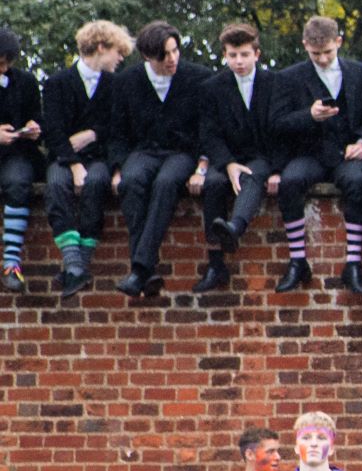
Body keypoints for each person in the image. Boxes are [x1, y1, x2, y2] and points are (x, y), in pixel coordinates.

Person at [108, 21, 212, 300]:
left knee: (166, 183)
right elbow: (117, 132)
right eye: (164, 55)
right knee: (131, 181)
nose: (172, 58)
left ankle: (139, 269)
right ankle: (147, 271)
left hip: (182, 152)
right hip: (144, 151)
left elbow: (208, 128)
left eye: (175, 50)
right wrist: (117, 168)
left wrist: (202, 165)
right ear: (147, 56)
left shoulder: (198, 78)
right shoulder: (127, 81)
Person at [272, 17, 362, 295]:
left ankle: (353, 263)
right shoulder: (288, 77)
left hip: (347, 153)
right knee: (290, 182)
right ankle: (297, 260)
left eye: (328, 52)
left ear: (339, 42)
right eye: (315, 53)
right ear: (305, 45)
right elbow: (277, 123)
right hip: (310, 153)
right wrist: (309, 116)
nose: (322, 58)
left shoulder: (359, 72)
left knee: (358, 182)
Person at [40, 19, 130, 296]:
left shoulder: (116, 85)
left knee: (96, 184)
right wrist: (75, 164)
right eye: (117, 52)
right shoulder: (57, 83)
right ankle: (74, 265)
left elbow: (118, 127)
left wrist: (92, 134)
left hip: (99, 157)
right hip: (63, 157)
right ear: (101, 47)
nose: (120, 59)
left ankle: (77, 267)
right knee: (56, 185)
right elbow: (53, 131)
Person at [196, 22, 285, 294]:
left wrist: (277, 169)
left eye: (245, 54)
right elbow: (209, 133)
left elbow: (282, 127)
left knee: (252, 177)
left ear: (256, 54)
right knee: (213, 184)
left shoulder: (275, 83)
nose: (239, 61)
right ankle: (215, 265)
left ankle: (235, 227)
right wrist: (227, 163)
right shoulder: (212, 87)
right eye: (232, 55)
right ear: (224, 55)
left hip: (260, 154)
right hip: (228, 155)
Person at [0, 27, 42, 293]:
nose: (3, 69)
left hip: (16, 154)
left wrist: (34, 128)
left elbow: (39, 116)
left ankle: (11, 262)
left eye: (7, 63)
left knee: (18, 183)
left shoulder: (26, 82)